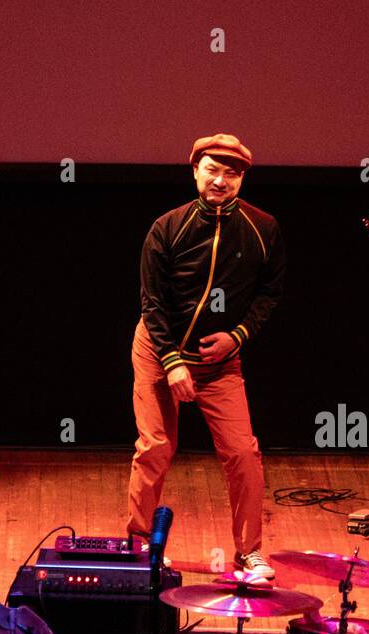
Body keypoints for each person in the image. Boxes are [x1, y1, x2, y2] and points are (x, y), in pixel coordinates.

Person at [128, 133, 285, 578]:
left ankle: (250, 551)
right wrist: (172, 361)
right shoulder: (167, 227)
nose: (220, 180)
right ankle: (140, 545)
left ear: (241, 179)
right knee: (156, 446)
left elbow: (270, 293)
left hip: (220, 361)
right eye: (212, 170)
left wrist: (237, 335)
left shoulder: (263, 228)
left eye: (231, 173)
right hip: (158, 352)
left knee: (243, 453)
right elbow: (152, 304)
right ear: (195, 170)